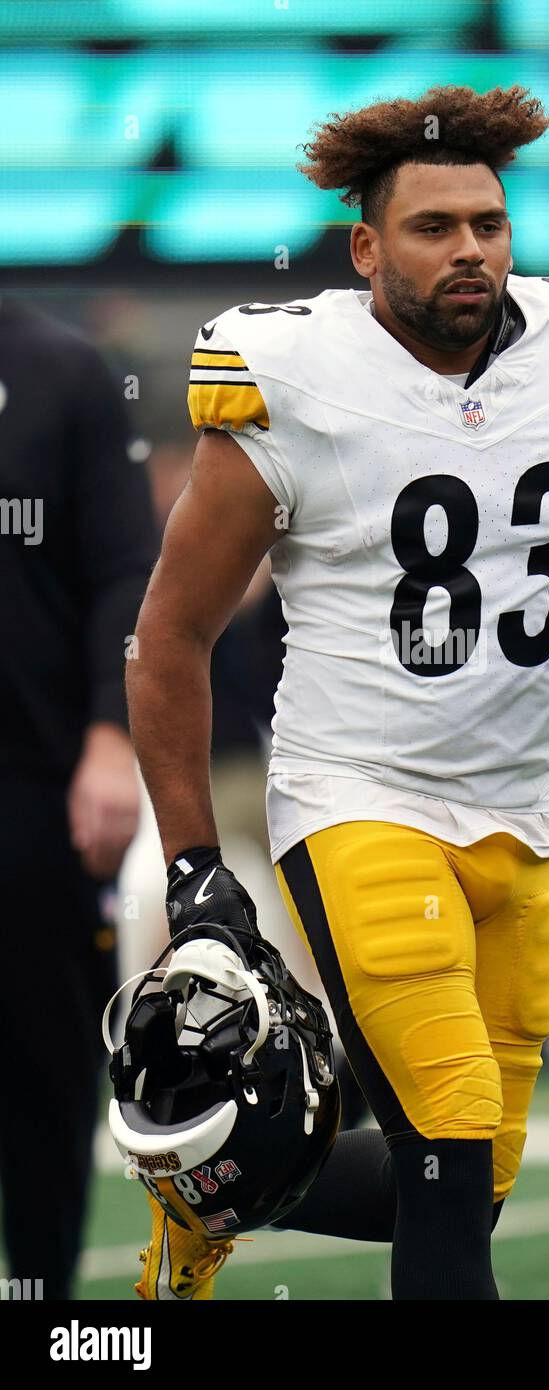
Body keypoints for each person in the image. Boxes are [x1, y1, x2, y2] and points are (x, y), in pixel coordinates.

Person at [125, 84, 549, 1300]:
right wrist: (192, 867)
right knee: (445, 1139)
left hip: (515, 810)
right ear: (365, 247)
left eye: (487, 225)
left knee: (459, 1189)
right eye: (434, 227)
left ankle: (213, 1185)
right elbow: (167, 638)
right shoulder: (293, 376)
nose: (469, 252)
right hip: (359, 801)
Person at [0, 296, 156, 1299]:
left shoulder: (64, 372)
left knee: (42, 1060)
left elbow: (125, 574)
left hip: (31, 780)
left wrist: (111, 737)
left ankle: (42, 1295)